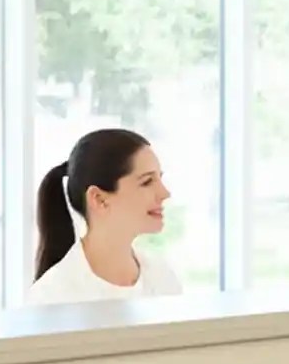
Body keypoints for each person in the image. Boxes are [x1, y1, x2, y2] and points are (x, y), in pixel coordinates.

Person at [28, 128, 183, 306]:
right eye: (147, 182)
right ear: (99, 199)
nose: (164, 193)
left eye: (160, 179)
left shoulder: (163, 279)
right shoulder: (52, 296)